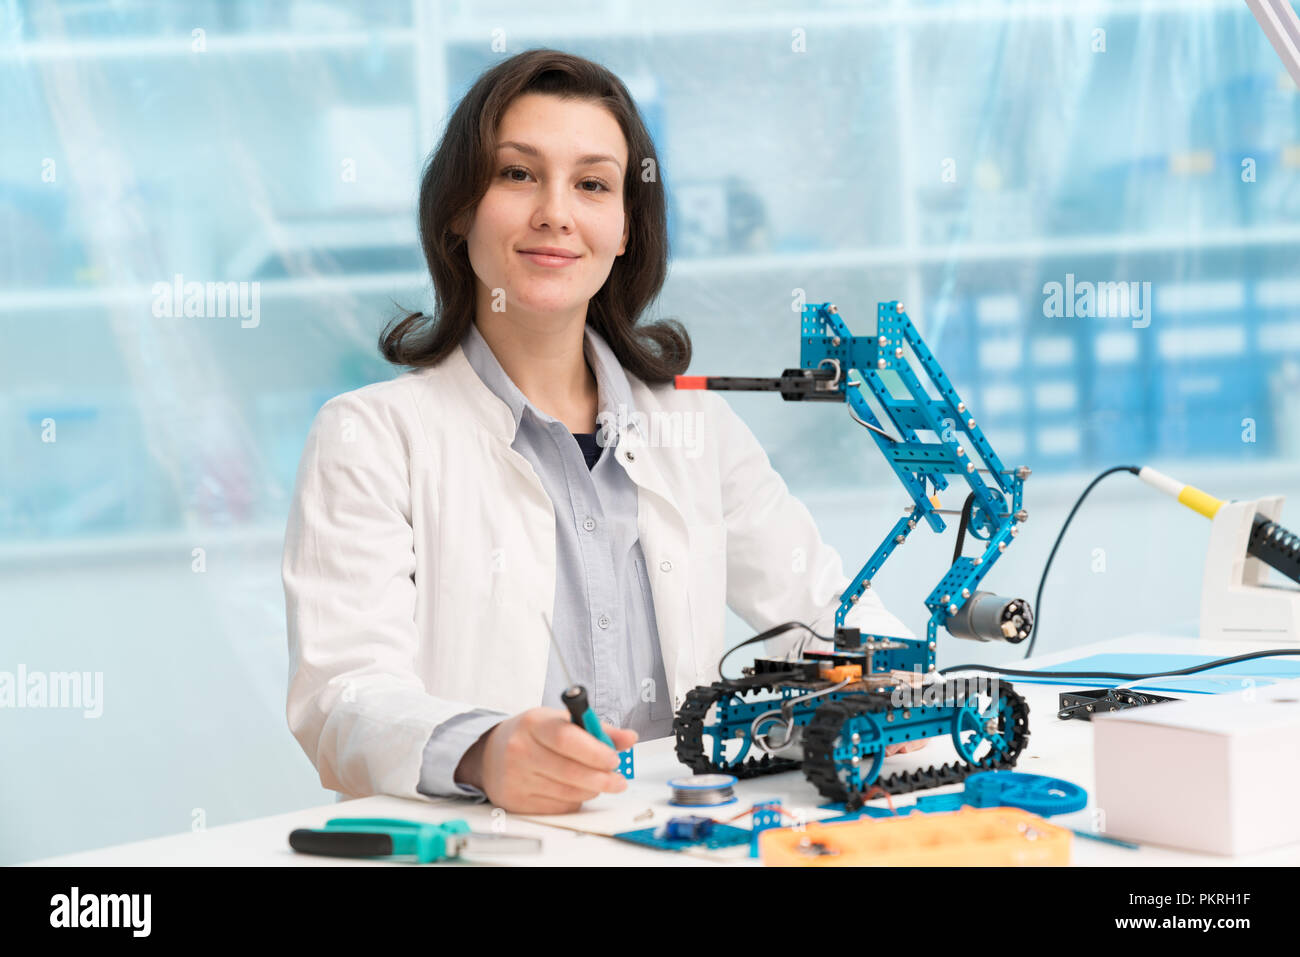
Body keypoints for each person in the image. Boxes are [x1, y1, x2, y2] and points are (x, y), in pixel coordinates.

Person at [282, 49, 922, 816]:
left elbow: (824, 607)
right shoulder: (372, 437)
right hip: (502, 843)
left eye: (591, 184)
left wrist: (902, 688)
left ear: (624, 229)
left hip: (686, 829)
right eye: (518, 174)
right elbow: (342, 696)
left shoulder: (696, 427)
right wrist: (486, 750)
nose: (556, 211)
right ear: (458, 210)